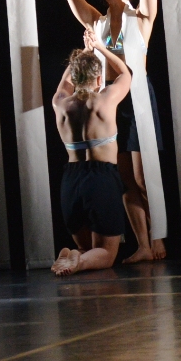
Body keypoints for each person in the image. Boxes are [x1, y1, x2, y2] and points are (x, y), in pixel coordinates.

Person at [43, 0, 168, 262]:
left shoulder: (141, 18)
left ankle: (157, 239)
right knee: (126, 179)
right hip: (111, 104)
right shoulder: (95, 23)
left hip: (139, 99)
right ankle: (142, 245)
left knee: (144, 179)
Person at [51, 28, 132, 276]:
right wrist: (101, 48)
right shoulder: (104, 99)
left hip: (71, 179)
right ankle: (78, 261)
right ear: (99, 80)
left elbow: (64, 84)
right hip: (101, 178)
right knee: (107, 254)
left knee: (88, 248)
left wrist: (85, 52)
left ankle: (75, 256)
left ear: (75, 78)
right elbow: (126, 74)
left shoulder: (61, 104)